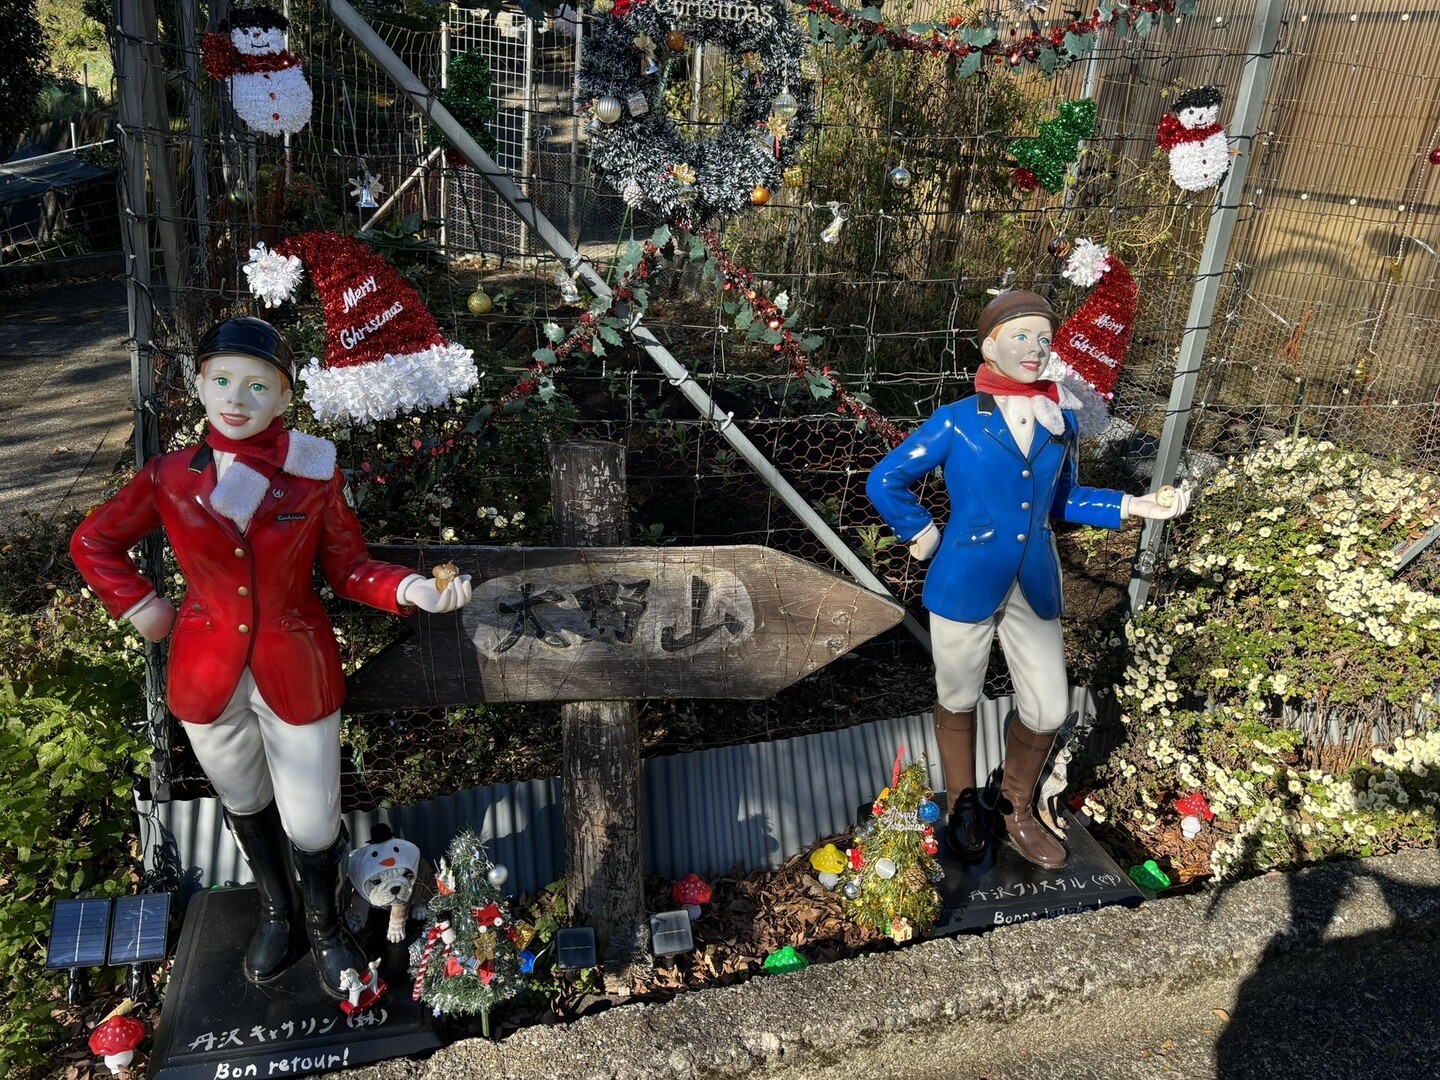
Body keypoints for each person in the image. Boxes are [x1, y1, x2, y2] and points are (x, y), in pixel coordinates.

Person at [71, 317, 474, 998]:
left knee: (314, 818)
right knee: (243, 799)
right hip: (206, 674)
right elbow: (94, 541)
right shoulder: (170, 476)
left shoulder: (312, 473)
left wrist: (409, 589)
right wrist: (140, 604)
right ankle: (277, 912)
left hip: (296, 664)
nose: (237, 398)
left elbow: (348, 568)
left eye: (259, 386)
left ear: (285, 398)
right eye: (222, 380)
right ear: (198, 383)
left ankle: (324, 929)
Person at [866, 291, 1188, 869]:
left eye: (1044, 339)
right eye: (1021, 337)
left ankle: (1014, 804)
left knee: (1048, 706)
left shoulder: (1057, 422)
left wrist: (1133, 506)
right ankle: (965, 804)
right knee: (958, 695)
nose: (1036, 349)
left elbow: (1063, 497)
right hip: (964, 580)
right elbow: (886, 479)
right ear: (989, 346)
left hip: (1034, 580)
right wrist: (922, 535)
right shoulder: (958, 422)